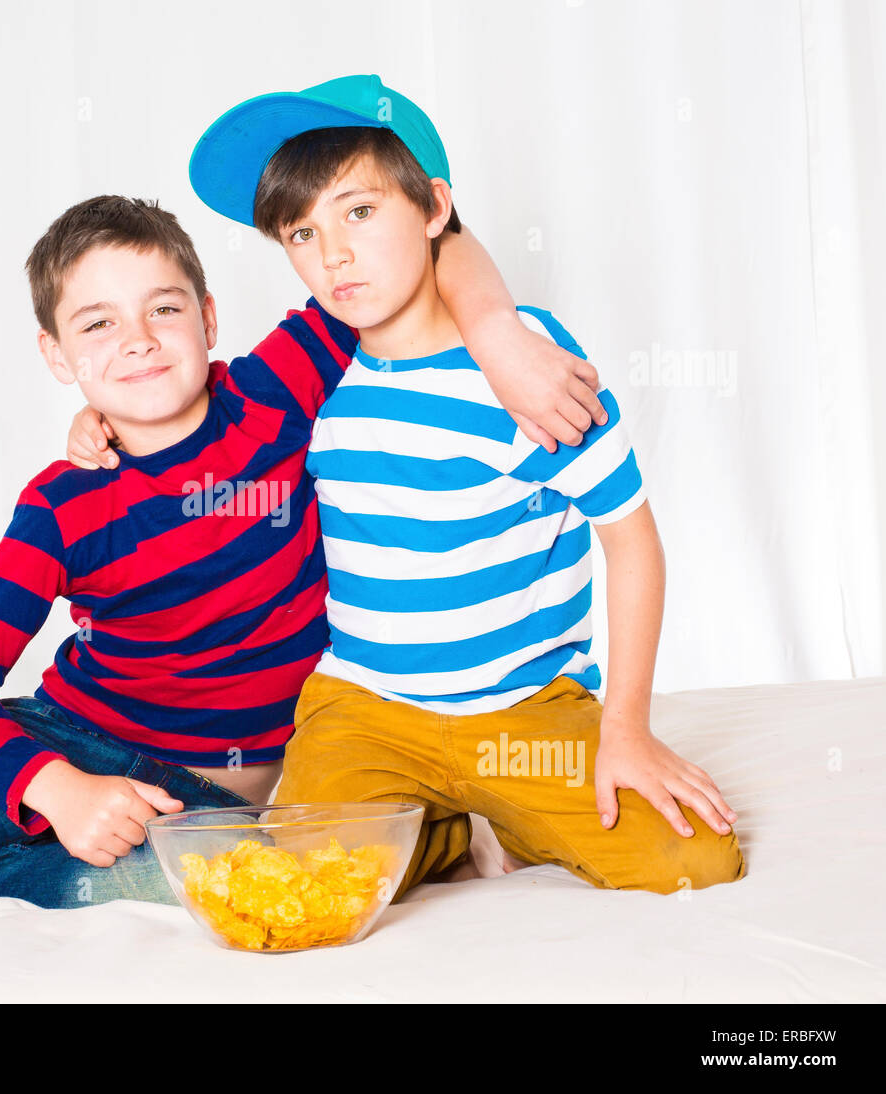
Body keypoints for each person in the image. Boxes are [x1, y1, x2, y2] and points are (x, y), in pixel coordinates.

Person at [0, 186, 604, 912]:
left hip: (209, 804)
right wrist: (55, 787)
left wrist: (496, 331)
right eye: (97, 325)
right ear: (56, 356)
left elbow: (425, 245)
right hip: (69, 738)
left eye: (163, 309)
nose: (138, 339)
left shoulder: (275, 390)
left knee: (241, 887)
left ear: (207, 317)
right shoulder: (62, 502)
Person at [173, 73, 747, 899]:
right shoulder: (317, 364)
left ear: (433, 208)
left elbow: (632, 539)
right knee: (295, 893)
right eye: (301, 233)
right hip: (367, 710)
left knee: (693, 864)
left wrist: (625, 730)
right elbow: (195, 414)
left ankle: (501, 812)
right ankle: (435, 826)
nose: (331, 254)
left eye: (359, 212)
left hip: (525, 711)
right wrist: (104, 427)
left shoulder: (527, 366)